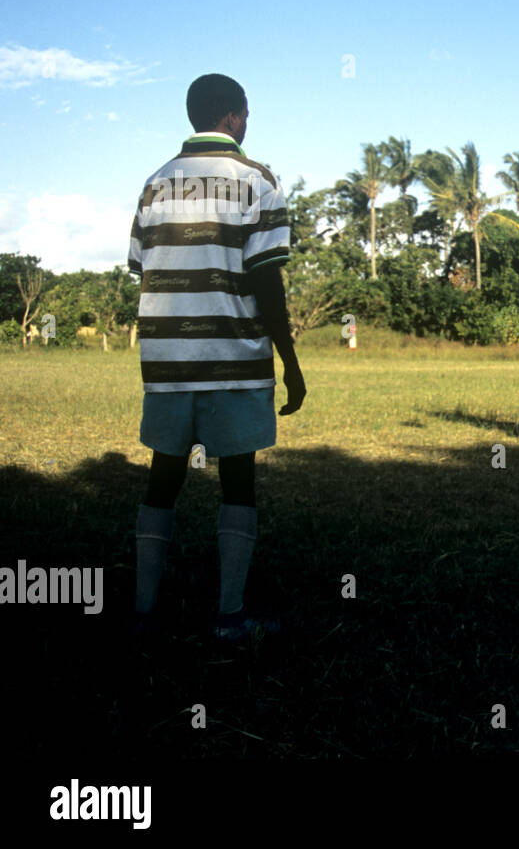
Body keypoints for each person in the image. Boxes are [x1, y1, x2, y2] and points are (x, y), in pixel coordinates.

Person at [127, 73, 305, 643]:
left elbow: (142, 267)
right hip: (234, 357)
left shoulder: (154, 185)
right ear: (234, 116)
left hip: (167, 362)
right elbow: (267, 282)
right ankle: (229, 615)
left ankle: (145, 609)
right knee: (237, 480)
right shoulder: (258, 181)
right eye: (245, 114)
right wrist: (290, 361)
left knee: (164, 477)